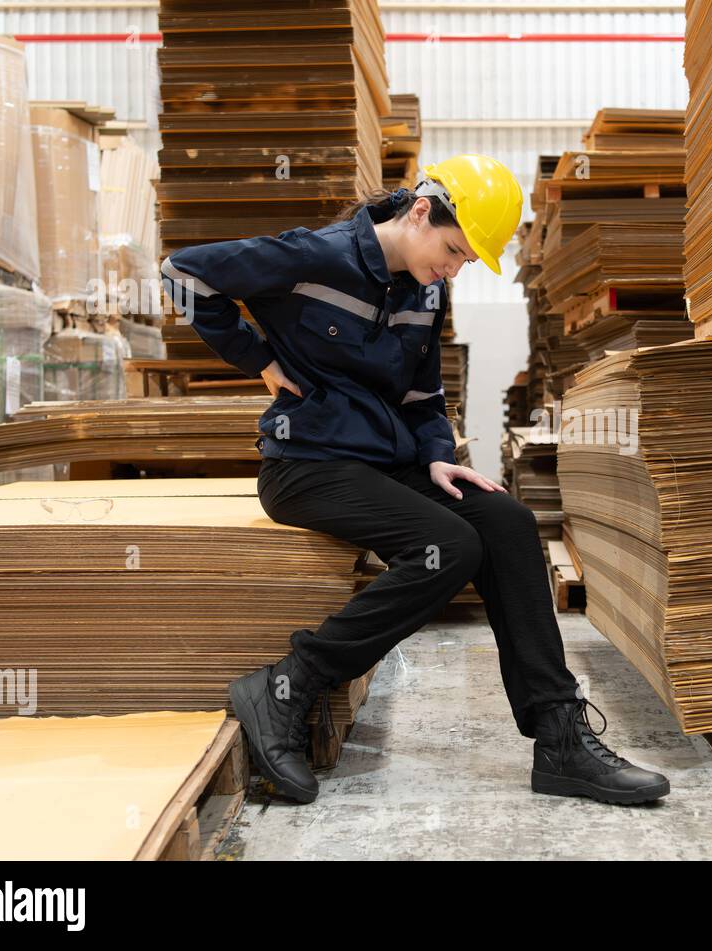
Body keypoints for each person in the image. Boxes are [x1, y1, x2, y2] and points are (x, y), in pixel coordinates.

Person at [159, 154, 670, 807]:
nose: (454, 268)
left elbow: (425, 396)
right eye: (453, 250)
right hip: (308, 463)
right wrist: (256, 357)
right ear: (420, 211)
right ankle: (288, 682)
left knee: (508, 523)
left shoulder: (426, 291)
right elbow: (181, 273)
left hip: (388, 461)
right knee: (450, 545)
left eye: (464, 260)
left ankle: (560, 737)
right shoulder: (316, 256)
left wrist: (435, 452)